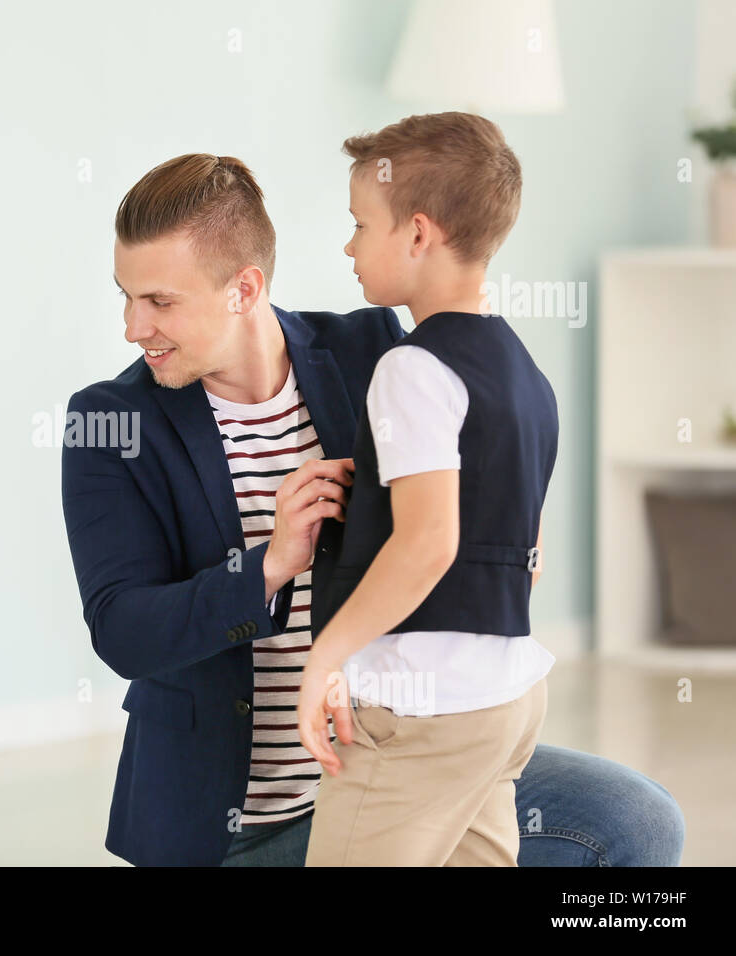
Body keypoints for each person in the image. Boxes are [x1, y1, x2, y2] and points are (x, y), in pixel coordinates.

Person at [59, 151, 685, 867]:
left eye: (160, 302)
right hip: (242, 833)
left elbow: (473, 497)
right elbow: (122, 631)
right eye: (127, 296)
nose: (133, 328)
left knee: (636, 821)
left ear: (244, 287)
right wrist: (266, 569)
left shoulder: (375, 352)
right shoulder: (111, 422)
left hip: (403, 755)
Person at [298, 111, 552, 866]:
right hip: (505, 697)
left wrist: (325, 659)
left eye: (359, 225)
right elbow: (522, 547)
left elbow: (430, 543)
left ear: (416, 234)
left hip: (420, 706)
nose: (348, 246)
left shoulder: (411, 367)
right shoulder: (524, 372)